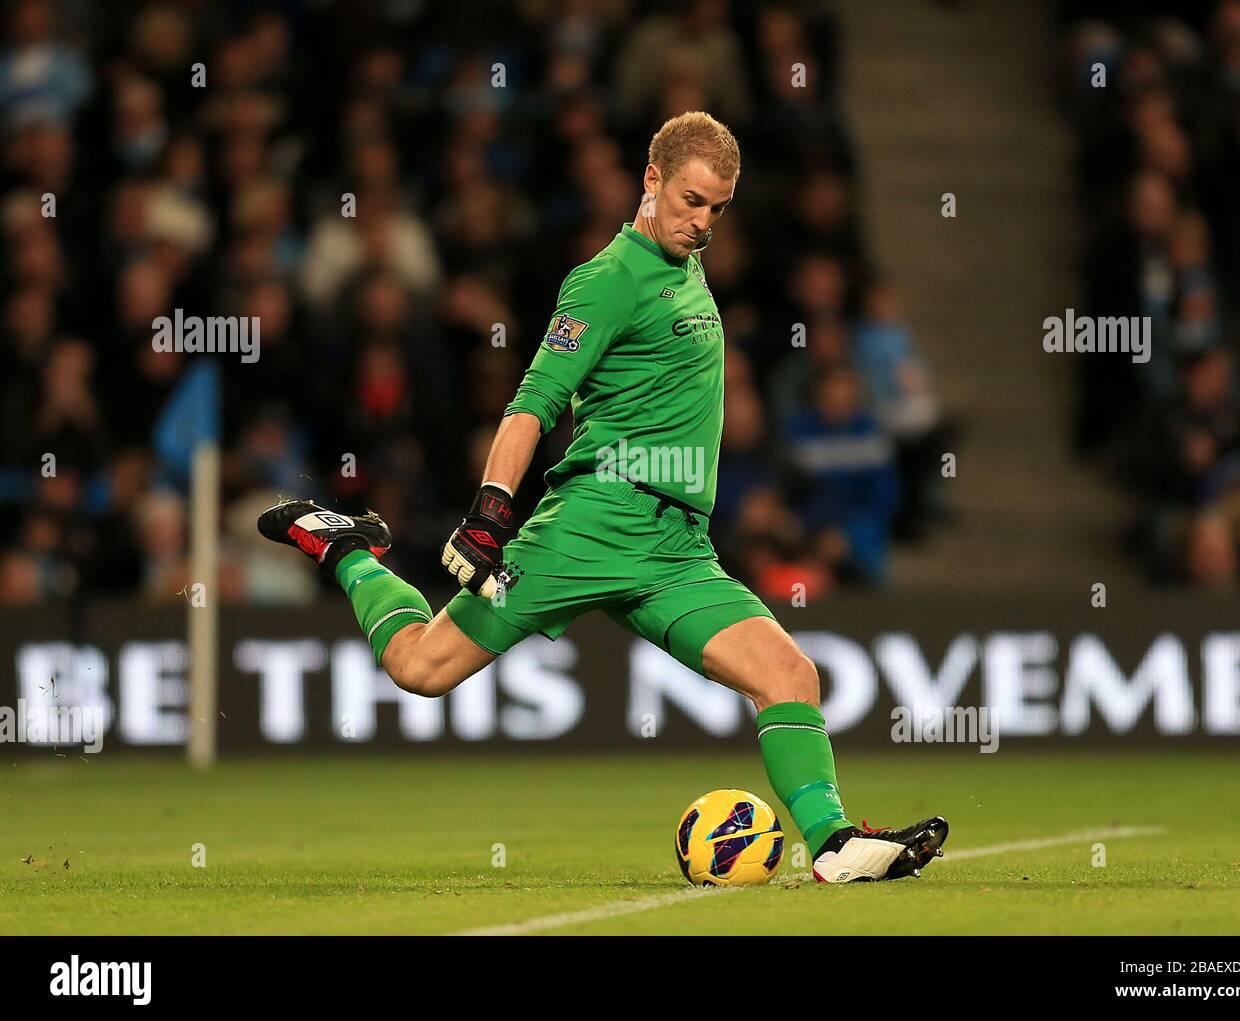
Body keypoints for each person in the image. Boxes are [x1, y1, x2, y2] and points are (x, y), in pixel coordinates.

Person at [258, 111, 947, 883]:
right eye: (690, 200)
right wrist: (489, 511)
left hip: (676, 547)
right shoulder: (606, 279)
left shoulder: (685, 264)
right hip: (593, 524)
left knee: (789, 676)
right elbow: (532, 403)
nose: (703, 222)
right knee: (421, 670)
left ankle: (830, 844)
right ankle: (347, 544)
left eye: (718, 208)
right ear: (650, 180)